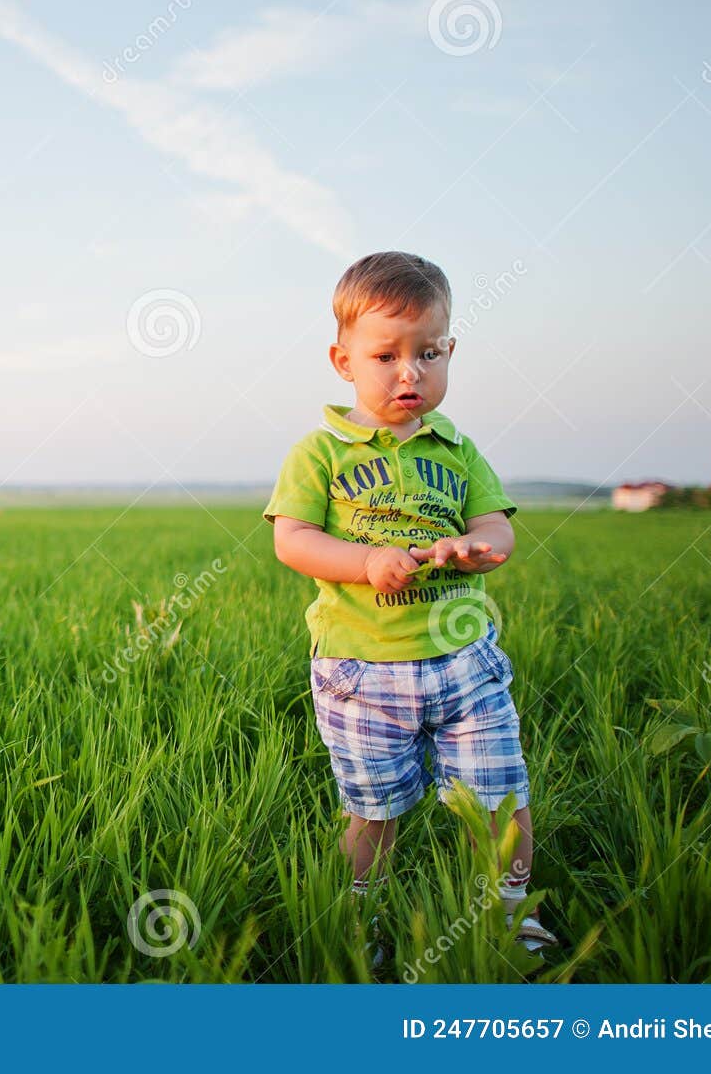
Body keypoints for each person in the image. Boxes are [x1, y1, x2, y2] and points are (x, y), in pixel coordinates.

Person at [263, 250, 557, 964]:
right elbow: (293, 540)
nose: (410, 372)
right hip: (362, 670)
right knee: (373, 810)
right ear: (343, 360)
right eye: (386, 354)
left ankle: (513, 914)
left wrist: (476, 547)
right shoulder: (320, 453)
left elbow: (497, 526)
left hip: (464, 662)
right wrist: (365, 561)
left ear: (450, 350)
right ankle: (363, 920)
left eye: (429, 352)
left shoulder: (457, 451)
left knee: (499, 793)